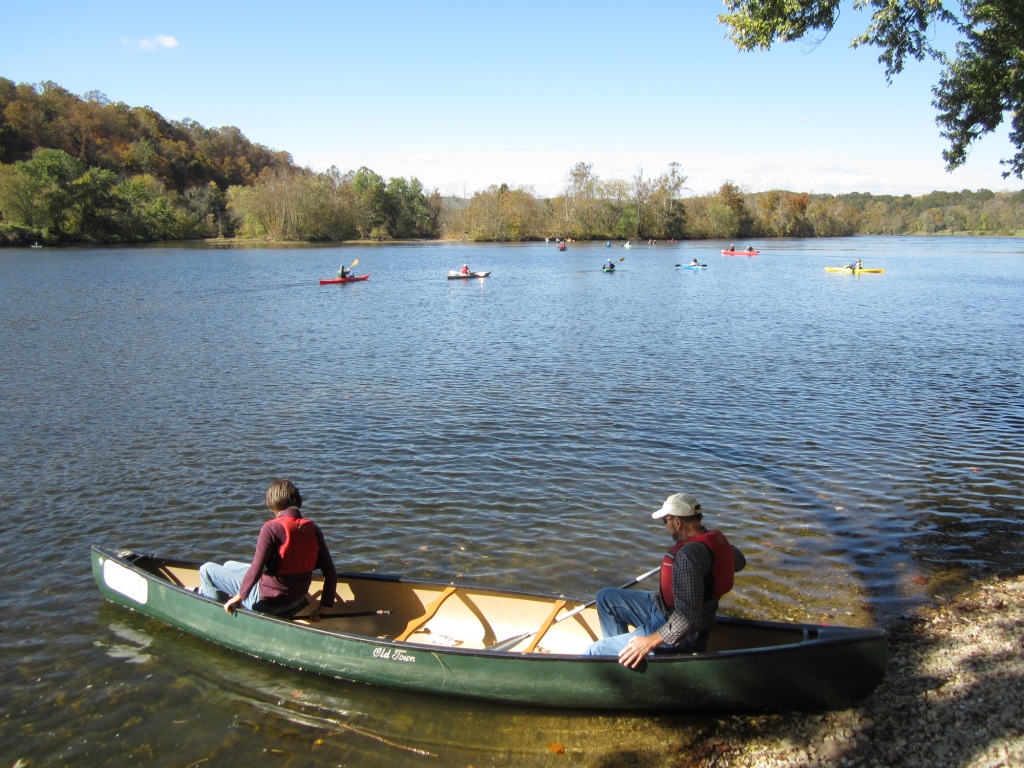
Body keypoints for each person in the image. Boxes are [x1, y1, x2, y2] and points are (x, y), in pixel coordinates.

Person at [584, 492, 745, 667]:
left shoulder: (687, 556)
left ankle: (621, 655)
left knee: (595, 650)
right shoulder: (717, 541)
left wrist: (649, 642)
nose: (666, 527)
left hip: (681, 631)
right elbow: (739, 561)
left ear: (677, 522)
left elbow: (688, 618)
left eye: (665, 521)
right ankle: (624, 661)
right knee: (606, 597)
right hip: (661, 607)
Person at [199, 479, 338, 621]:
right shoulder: (314, 529)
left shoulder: (271, 528)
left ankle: (220, 617)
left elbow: (256, 569)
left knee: (206, 570)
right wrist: (324, 606)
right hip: (297, 602)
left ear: (274, 503)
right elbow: (331, 574)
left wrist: (239, 596)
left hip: (269, 605)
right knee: (229, 565)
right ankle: (212, 594)